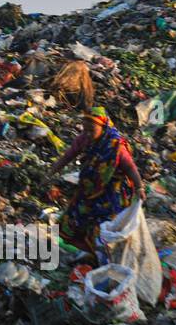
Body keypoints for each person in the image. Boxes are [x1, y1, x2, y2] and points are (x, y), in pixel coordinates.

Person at [49, 107, 143, 254]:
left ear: (104, 127)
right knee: (76, 213)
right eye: (84, 129)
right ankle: (73, 242)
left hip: (112, 192)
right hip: (89, 186)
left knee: (103, 222)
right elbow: (68, 156)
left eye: (91, 130)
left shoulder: (115, 146)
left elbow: (130, 168)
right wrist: (51, 171)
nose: (87, 134)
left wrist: (139, 187)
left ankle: (96, 250)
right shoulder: (83, 140)